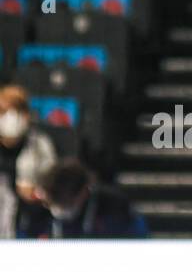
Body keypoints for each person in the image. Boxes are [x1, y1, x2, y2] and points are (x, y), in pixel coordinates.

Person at [35, 158, 148, 238]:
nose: (58, 209)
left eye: (65, 203)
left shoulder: (115, 209)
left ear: (83, 193)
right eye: (51, 203)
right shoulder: (42, 210)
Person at [0, 84, 58, 237]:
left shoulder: (41, 145)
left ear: (26, 114)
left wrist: (35, 194)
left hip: (29, 225)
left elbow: (54, 189)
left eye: (16, 111)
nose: (10, 117)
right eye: (3, 112)